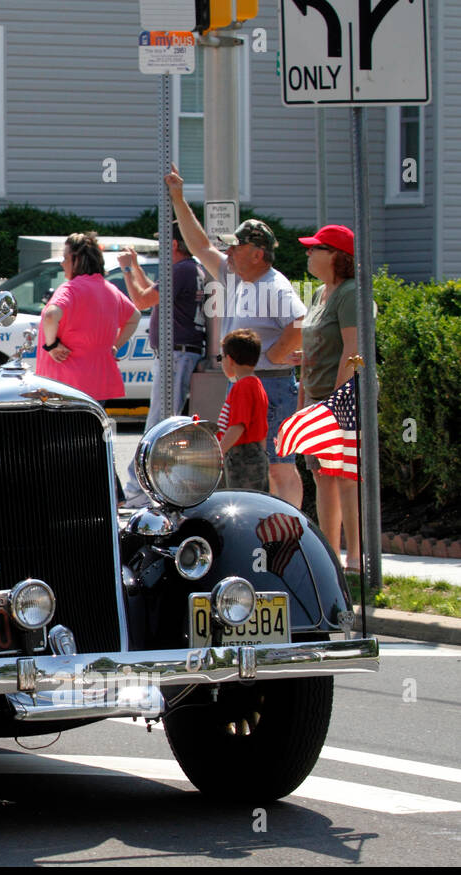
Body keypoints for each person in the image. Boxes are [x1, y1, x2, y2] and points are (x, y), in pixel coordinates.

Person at [165, 164, 306, 508]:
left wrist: (273, 356)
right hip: (247, 383)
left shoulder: (275, 285)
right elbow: (199, 246)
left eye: (236, 247)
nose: (228, 252)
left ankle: (288, 530)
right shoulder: (237, 276)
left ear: (258, 254)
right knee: (257, 466)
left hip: (271, 383)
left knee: (278, 467)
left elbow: (301, 323)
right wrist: (178, 199)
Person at [117, 224, 207, 506]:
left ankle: (137, 491)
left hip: (176, 354)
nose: (162, 246)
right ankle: (146, 488)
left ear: (176, 244)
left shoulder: (182, 271)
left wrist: (127, 269)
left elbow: (141, 300)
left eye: (165, 241)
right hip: (178, 353)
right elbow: (150, 293)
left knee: (158, 425)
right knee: (163, 424)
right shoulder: (188, 269)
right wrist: (134, 266)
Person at [297, 224, 362, 571]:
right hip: (316, 397)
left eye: (315, 248)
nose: (308, 253)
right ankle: (330, 558)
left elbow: (352, 352)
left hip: (341, 398)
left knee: (345, 476)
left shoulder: (350, 292)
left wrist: (335, 404)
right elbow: (313, 349)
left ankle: (354, 560)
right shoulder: (321, 293)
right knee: (322, 474)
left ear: (336, 254)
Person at [35, 231, 141, 401]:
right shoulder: (110, 290)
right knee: (92, 427)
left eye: (65, 258)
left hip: (63, 386)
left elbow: (50, 316)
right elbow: (134, 317)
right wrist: (114, 346)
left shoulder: (69, 289)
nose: (62, 263)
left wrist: (52, 345)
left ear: (77, 260)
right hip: (99, 385)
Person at [215, 329, 269, 492]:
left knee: (240, 503)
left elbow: (238, 426)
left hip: (242, 458)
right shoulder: (256, 384)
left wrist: (218, 453)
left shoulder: (242, 387)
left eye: (221, 358)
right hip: (255, 454)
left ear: (230, 360)